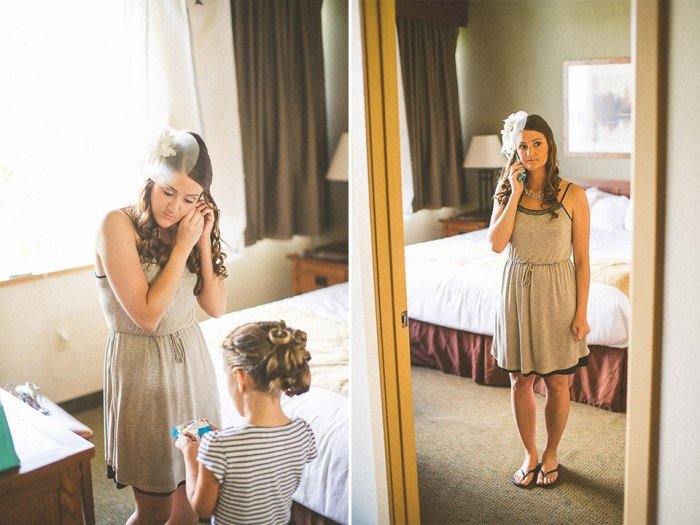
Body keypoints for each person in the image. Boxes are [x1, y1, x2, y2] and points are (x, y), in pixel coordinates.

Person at [95, 126, 228, 523]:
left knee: (191, 502)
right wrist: (183, 245)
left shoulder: (190, 226)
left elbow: (216, 306)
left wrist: (202, 241)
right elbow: (148, 316)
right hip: (143, 375)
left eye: (190, 199)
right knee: (154, 509)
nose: (174, 208)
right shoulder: (116, 226)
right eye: (168, 192)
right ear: (151, 179)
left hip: (193, 369)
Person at [488, 111, 591, 488]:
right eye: (523, 146)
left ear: (549, 146)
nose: (530, 153)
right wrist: (514, 193)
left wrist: (581, 312)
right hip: (516, 290)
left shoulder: (573, 195)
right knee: (520, 380)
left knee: (559, 384)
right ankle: (530, 452)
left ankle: (551, 453)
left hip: (558, 293)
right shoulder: (506, 191)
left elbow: (582, 260)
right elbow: (497, 244)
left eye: (537, 144)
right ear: (513, 151)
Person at [175, 320, 317, 524]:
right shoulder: (303, 432)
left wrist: (190, 454)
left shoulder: (217, 445)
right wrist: (223, 435)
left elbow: (202, 508)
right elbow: (263, 451)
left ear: (239, 378)